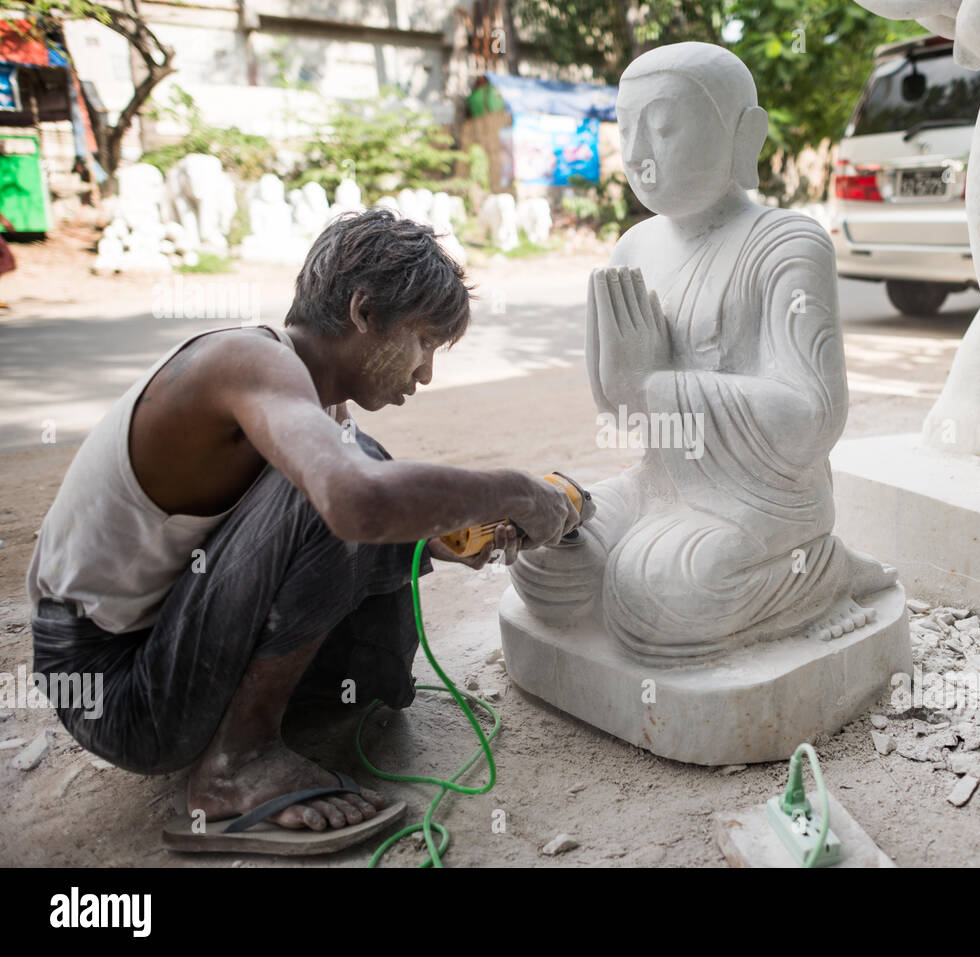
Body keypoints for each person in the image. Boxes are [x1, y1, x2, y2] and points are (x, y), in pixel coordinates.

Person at [27, 208, 579, 848]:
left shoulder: (311, 402)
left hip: (158, 656)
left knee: (358, 477)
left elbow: (323, 529)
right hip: (112, 686)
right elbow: (351, 503)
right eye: (424, 341)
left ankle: (258, 733)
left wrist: (446, 535)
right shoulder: (243, 362)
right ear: (364, 312)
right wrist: (515, 489)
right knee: (353, 473)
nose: (426, 373)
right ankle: (236, 765)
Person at [509, 43, 895, 661]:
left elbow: (812, 418)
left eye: (663, 126)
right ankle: (710, 575)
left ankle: (822, 571)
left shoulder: (786, 244)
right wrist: (621, 382)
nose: (639, 153)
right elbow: (627, 418)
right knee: (546, 560)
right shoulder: (633, 249)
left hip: (766, 502)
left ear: (746, 135)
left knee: (653, 594)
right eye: (627, 128)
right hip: (661, 482)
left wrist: (653, 381)